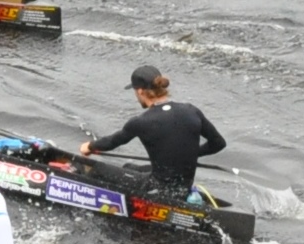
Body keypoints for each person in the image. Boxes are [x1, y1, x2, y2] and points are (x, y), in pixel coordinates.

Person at [80, 64, 225, 199]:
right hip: (183, 189)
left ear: (140, 91)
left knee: (96, 169)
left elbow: (111, 142)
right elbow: (218, 143)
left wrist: (89, 147)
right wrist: (187, 155)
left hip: (158, 190)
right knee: (129, 167)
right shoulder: (191, 110)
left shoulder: (141, 122)